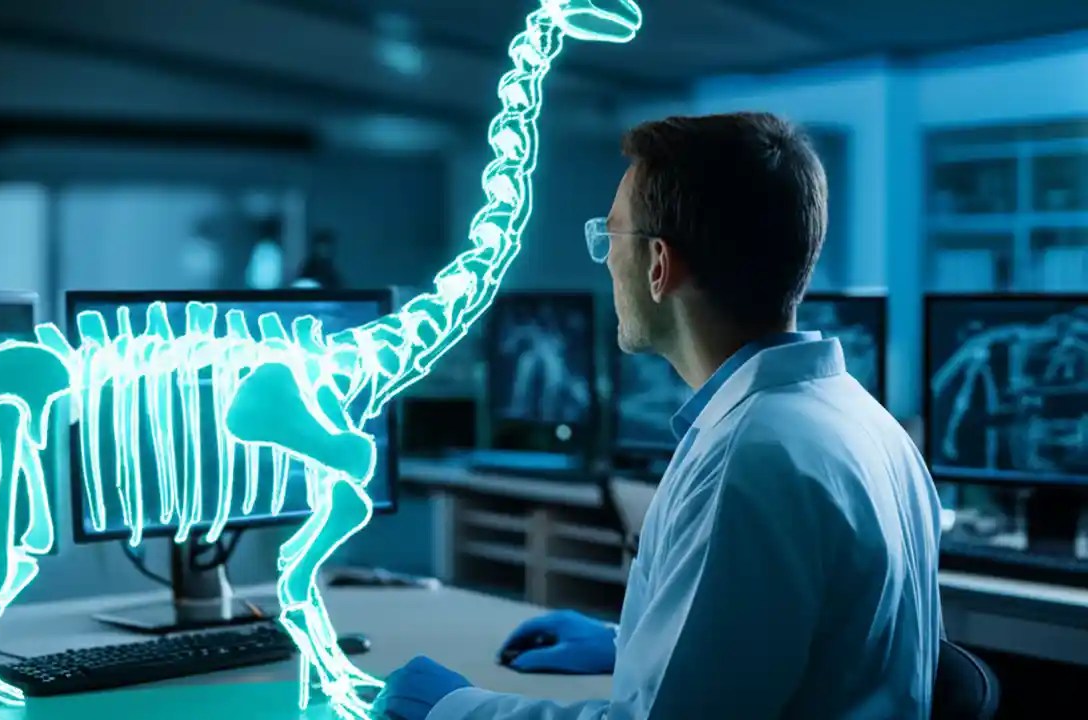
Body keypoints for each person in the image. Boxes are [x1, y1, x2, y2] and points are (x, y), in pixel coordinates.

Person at [379, 112, 942, 719]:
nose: (604, 261)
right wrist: (632, 646)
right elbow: (794, 649)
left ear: (657, 265)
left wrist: (457, 710)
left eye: (610, 237)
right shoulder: (866, 422)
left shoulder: (748, 459)